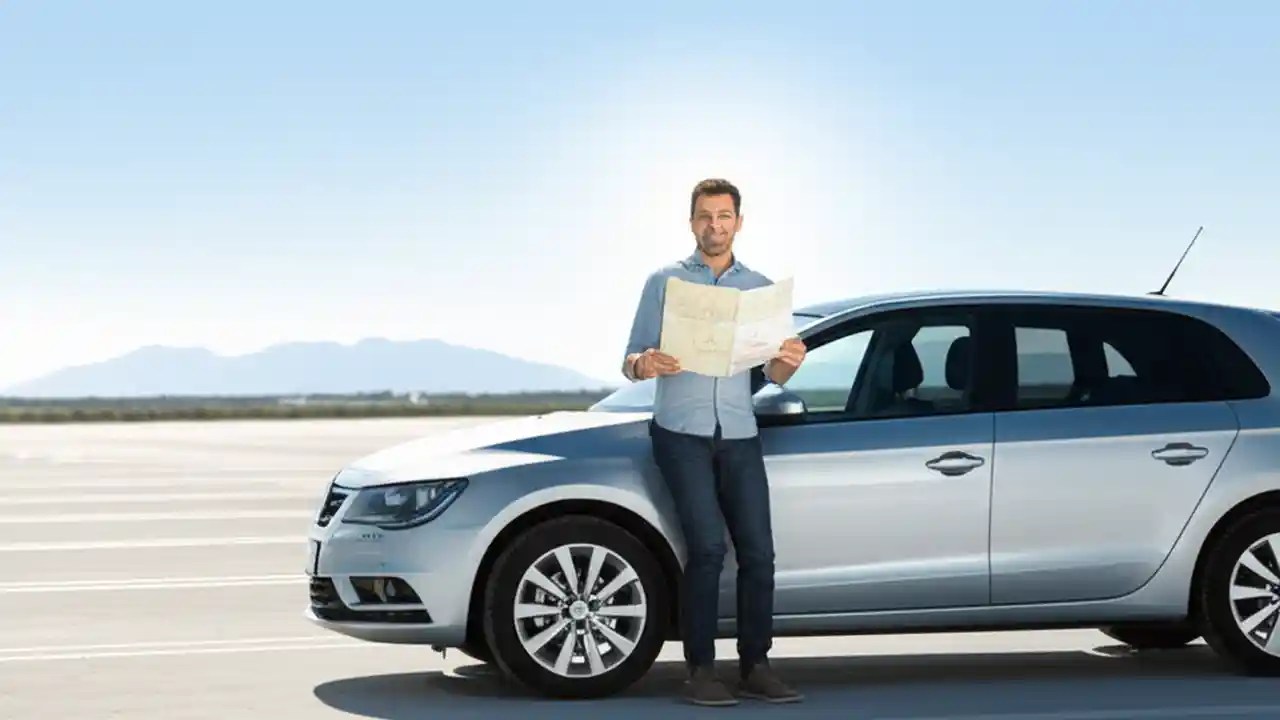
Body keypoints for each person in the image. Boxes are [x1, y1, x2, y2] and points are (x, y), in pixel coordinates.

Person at [621, 178, 807, 706]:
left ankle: (756, 666)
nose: (714, 225)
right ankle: (700, 670)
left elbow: (769, 374)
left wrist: (788, 364)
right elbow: (630, 358)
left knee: (759, 553)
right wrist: (644, 363)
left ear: (738, 223)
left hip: (740, 433)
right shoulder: (665, 282)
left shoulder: (761, 289)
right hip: (680, 434)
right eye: (705, 216)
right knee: (706, 548)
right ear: (692, 223)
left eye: (724, 216)